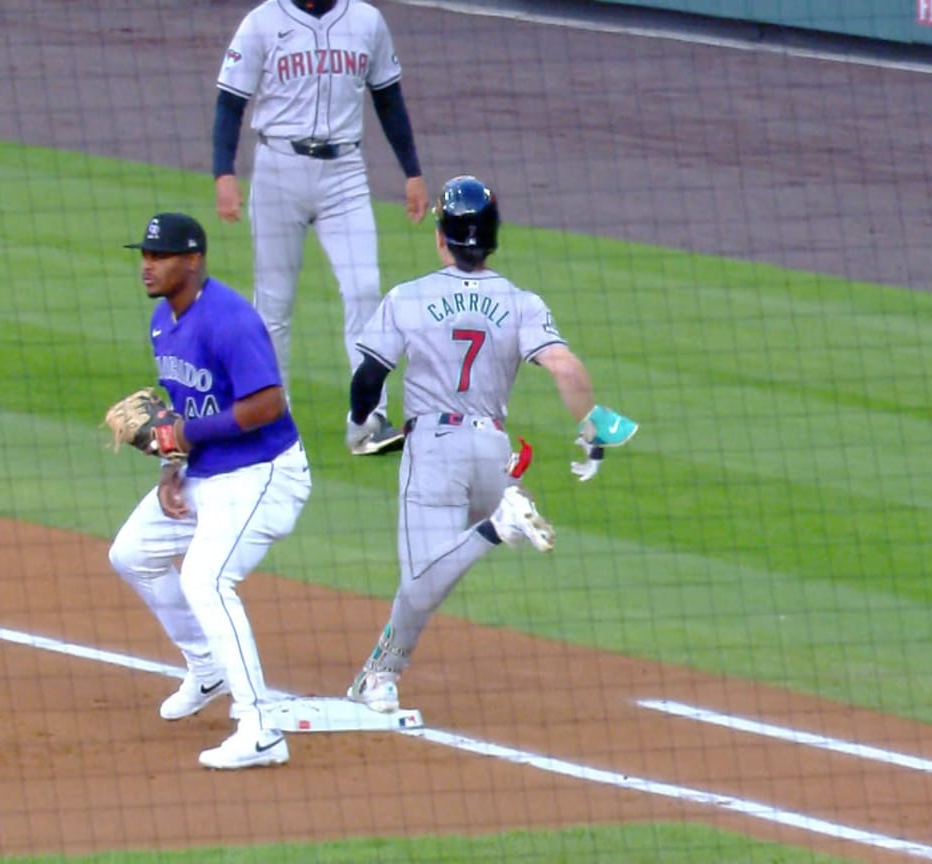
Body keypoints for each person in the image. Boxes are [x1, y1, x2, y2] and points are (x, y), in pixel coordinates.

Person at [342, 176, 639, 712]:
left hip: (435, 450)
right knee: (429, 578)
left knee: (419, 581)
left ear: (441, 237)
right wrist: (592, 430)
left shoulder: (409, 296)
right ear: (493, 239)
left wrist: (363, 423)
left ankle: (497, 526)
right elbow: (564, 367)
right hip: (495, 455)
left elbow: (369, 374)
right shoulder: (522, 302)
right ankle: (378, 674)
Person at [107, 212, 312, 770]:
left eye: (160, 256)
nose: (147, 265)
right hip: (205, 473)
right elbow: (181, 411)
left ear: (192, 260)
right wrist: (171, 467)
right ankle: (208, 666)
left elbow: (269, 404)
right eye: (144, 255)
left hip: (262, 474)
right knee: (131, 554)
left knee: (207, 578)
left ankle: (260, 727)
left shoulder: (229, 320)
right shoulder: (161, 321)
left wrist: (186, 434)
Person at [212, 0, 429, 456]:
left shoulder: (366, 21)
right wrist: (223, 173)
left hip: (344, 172)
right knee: (274, 302)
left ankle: (366, 419)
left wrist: (412, 171)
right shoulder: (262, 23)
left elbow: (388, 98)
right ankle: (272, 415)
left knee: (365, 288)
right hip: (277, 167)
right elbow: (230, 103)